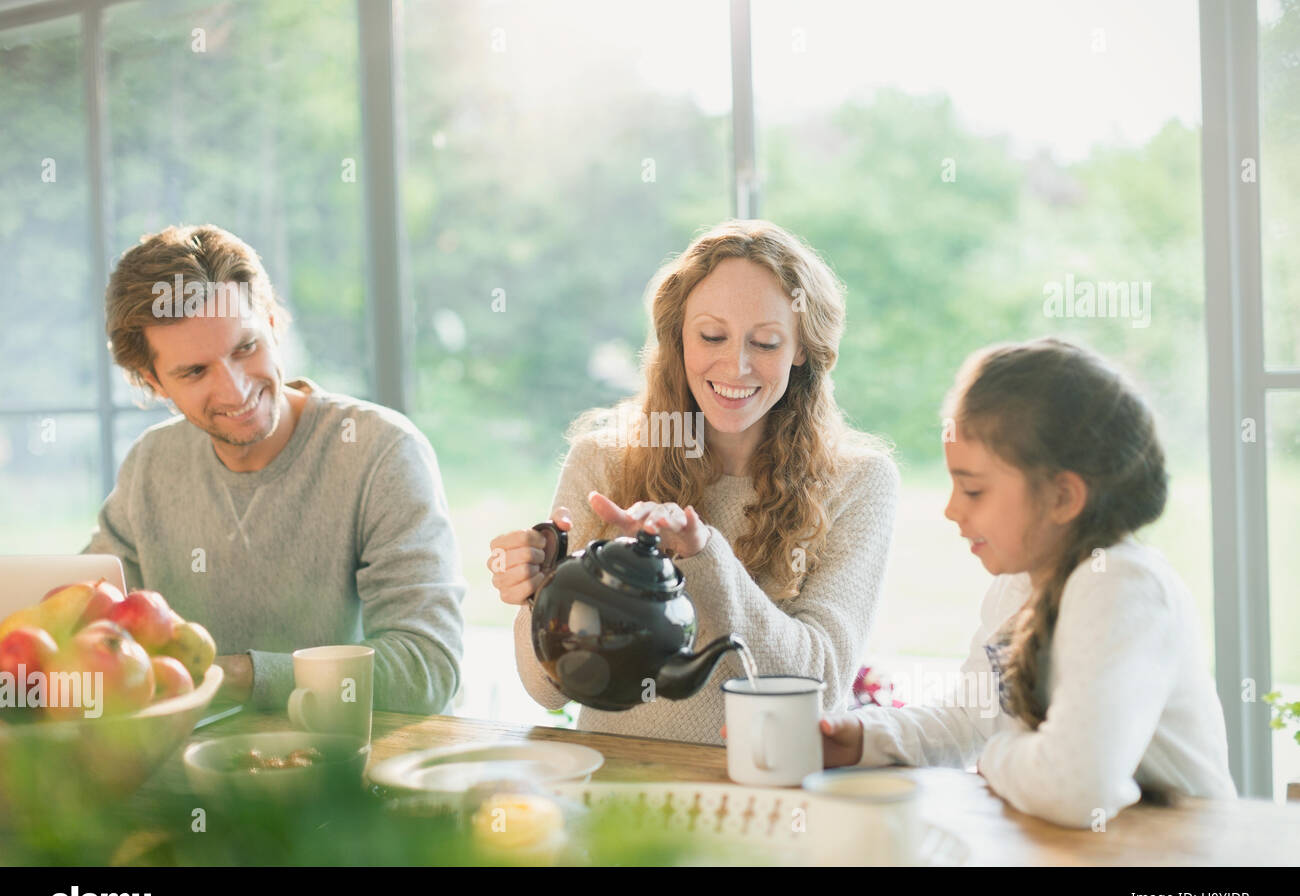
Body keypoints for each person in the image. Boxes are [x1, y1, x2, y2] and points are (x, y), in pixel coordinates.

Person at [489, 219, 899, 744]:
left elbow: (820, 686)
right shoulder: (604, 461)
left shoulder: (859, 483)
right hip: (614, 799)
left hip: (761, 795)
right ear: (678, 337)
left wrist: (706, 557)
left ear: (802, 348)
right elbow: (546, 691)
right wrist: (540, 590)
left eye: (767, 343)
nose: (737, 365)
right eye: (712, 336)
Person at [819, 338, 1236, 827]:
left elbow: (1074, 788)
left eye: (973, 488)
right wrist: (863, 738)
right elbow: (971, 719)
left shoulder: (1121, 586)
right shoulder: (1018, 585)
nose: (951, 509)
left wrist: (998, 754)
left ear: (1063, 496)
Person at [83, 224, 465, 714]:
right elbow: (87, 614)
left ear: (272, 322)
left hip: (351, 773)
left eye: (245, 347)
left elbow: (426, 668)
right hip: (196, 770)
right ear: (154, 382)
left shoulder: (380, 451)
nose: (236, 390)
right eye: (195, 372)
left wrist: (234, 675)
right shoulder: (150, 465)